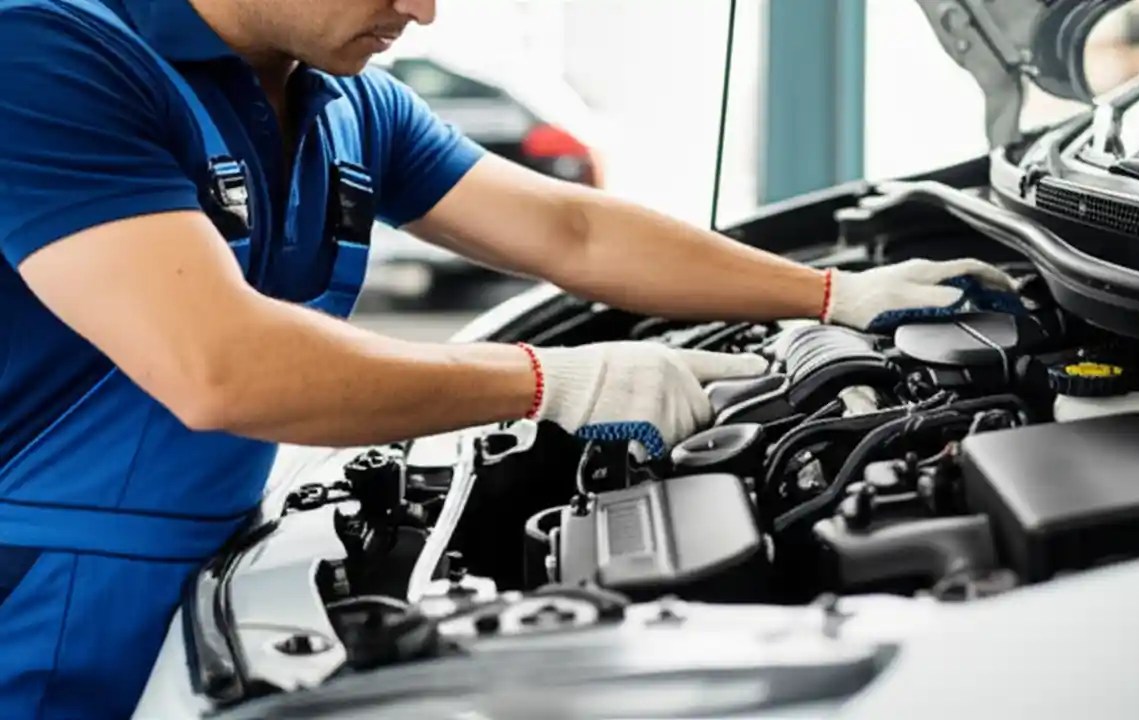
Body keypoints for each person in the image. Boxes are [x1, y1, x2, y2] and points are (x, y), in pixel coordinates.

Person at [0, 0, 1015, 716]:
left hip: (198, 567)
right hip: (32, 592)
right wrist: (560, 381)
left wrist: (835, 294)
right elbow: (221, 368)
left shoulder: (346, 105)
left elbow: (570, 233)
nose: (425, 10)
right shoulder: (48, 55)